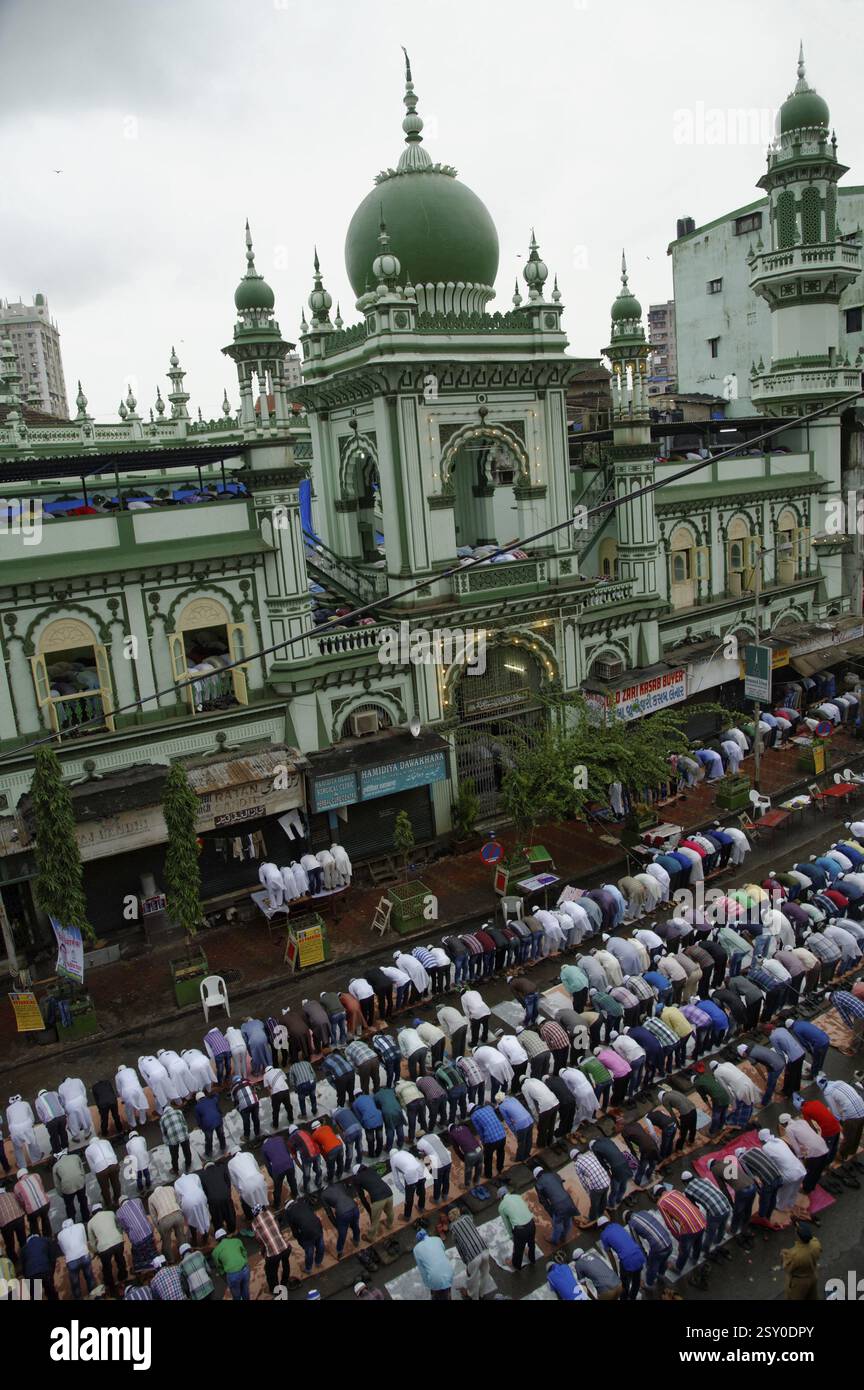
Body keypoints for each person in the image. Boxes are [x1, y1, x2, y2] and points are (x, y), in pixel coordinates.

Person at [654, 1184, 707, 1271]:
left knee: (684, 1250)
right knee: (698, 1242)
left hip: (689, 1228)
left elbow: (670, 1225)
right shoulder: (676, 1191)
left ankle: (678, 1268)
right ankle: (695, 1259)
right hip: (700, 1219)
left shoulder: (661, 1202)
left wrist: (680, 1239)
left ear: (657, 1195)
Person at [778, 1113, 830, 1195]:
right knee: (819, 1167)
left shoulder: (789, 1129)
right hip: (822, 1144)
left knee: (810, 1171)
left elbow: (795, 1145)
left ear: (783, 1124)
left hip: (814, 1150)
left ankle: (807, 1189)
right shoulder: (802, 1121)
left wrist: (800, 1157)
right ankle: (815, 1181)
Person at [680, 1170, 732, 1251]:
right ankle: (719, 1240)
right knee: (722, 1226)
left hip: (716, 1213)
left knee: (711, 1232)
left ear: (684, 1182)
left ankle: (705, 1248)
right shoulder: (702, 1180)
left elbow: (694, 1206)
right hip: (726, 1205)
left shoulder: (688, 1190)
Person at [597, 1215, 645, 1300]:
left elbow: (610, 1256)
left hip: (627, 1260)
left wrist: (615, 1272)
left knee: (624, 1283)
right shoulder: (617, 1225)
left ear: (600, 1228)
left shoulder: (604, 1235)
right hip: (638, 1254)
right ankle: (632, 1297)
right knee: (636, 1281)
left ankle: (624, 1298)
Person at [625, 1208, 674, 1289]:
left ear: (627, 1220)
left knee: (652, 1266)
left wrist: (645, 1257)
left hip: (658, 1247)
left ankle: (649, 1285)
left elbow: (638, 1243)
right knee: (663, 1260)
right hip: (668, 1241)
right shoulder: (643, 1211)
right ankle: (661, 1275)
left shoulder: (631, 1223)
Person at [86, 1203, 127, 1292]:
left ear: (93, 1213)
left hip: (104, 1248)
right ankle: (123, 1278)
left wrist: (96, 1251)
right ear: (102, 1209)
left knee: (107, 1267)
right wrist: (119, 1235)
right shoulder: (111, 1213)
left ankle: (111, 1286)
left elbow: (92, 1241)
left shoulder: (90, 1223)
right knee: (120, 1260)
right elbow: (119, 1225)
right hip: (118, 1242)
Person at [534, 1165, 578, 1245]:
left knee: (557, 1223)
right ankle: (563, 1237)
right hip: (568, 1200)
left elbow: (543, 1201)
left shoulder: (538, 1184)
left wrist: (550, 1211)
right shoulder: (555, 1174)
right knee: (568, 1220)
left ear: (536, 1177)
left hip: (558, 1205)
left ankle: (554, 1240)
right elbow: (560, 1186)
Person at [350, 1162, 394, 1241]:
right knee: (390, 1211)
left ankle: (370, 1237)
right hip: (389, 1192)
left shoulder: (357, 1178)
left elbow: (362, 1196)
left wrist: (369, 1210)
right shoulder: (371, 1170)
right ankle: (389, 1225)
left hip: (378, 1199)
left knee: (375, 1220)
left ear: (356, 1172)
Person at [781, 1222, 821, 1300]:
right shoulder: (816, 1243)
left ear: (798, 1237)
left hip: (799, 1282)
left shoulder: (794, 1255)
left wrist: (783, 1257)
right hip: (812, 1276)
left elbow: (787, 1269)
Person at [321, 1180, 361, 1258]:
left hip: (343, 1213)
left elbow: (329, 1213)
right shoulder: (339, 1185)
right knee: (355, 1226)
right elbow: (347, 1194)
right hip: (354, 1207)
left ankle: (340, 1251)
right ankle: (356, 1241)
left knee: (342, 1233)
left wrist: (335, 1224)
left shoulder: (323, 1195)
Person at [148, 1182, 187, 1262]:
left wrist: (160, 1231)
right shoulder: (170, 1188)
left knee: (166, 1241)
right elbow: (178, 1201)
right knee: (181, 1235)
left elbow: (154, 1217)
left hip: (164, 1219)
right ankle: (184, 1254)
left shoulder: (151, 1198)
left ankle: (170, 1260)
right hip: (177, 1214)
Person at [571, 1146, 611, 1223]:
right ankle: (601, 1213)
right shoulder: (590, 1154)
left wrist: (589, 1192)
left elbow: (583, 1181)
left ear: (574, 1159)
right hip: (606, 1180)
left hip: (598, 1186)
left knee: (594, 1204)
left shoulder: (577, 1164)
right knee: (604, 1198)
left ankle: (592, 1219)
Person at [58, 1217, 95, 1299]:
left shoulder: (60, 1235)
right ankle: (95, 1296)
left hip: (71, 1260)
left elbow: (63, 1249)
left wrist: (68, 1255)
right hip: (84, 1255)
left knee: (75, 1283)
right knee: (89, 1277)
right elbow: (85, 1240)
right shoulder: (80, 1226)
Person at [286, 1197, 325, 1274]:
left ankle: (308, 1269)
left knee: (309, 1251)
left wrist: (301, 1242)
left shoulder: (289, 1213)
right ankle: (318, 1262)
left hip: (307, 1232)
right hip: (317, 1225)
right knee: (320, 1245)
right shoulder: (303, 1203)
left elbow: (295, 1231)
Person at [228, 1147, 268, 1218]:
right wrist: (260, 1177)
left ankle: (251, 1217)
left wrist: (239, 1191)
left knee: (248, 1203)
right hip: (258, 1180)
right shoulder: (249, 1154)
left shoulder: (230, 1163)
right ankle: (264, 1213)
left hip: (246, 1185)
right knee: (260, 1198)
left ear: (232, 1155)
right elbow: (256, 1166)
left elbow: (234, 1180)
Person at [470, 1102, 507, 1179]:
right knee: (501, 1152)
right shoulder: (488, 1108)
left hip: (491, 1140)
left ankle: (488, 1174)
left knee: (488, 1157)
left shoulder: (473, 1116)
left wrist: (483, 1141)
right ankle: (500, 1168)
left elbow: (480, 1130)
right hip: (502, 1135)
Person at [413, 1229, 453, 1300]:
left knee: (438, 1293)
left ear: (418, 1240)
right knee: (446, 1290)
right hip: (449, 1272)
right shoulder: (437, 1239)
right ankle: (448, 1296)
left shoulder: (416, 1249)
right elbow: (442, 1252)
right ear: (427, 1235)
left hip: (436, 1277)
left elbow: (422, 1270)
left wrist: (429, 1284)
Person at [211, 1227, 250, 1300]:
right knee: (245, 1291)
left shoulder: (215, 1252)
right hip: (245, 1269)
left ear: (217, 1240)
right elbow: (244, 1253)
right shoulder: (237, 1241)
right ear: (226, 1235)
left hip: (232, 1275)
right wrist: (244, 1262)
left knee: (236, 1296)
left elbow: (220, 1267)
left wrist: (225, 1277)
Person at [174, 1171, 211, 1246]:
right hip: (200, 1196)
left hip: (188, 1201)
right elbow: (200, 1187)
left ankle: (194, 1240)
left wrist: (180, 1207)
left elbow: (178, 1198)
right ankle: (205, 1236)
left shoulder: (177, 1182)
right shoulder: (194, 1176)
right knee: (203, 1216)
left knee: (191, 1220)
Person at [390, 1147, 426, 1221]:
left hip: (410, 1173)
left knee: (409, 1198)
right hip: (420, 1168)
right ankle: (421, 1208)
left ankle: (407, 1217)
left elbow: (396, 1180)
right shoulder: (404, 1152)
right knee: (422, 1191)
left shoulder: (392, 1159)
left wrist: (403, 1191)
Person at [496, 1090, 534, 1162]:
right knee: (529, 1139)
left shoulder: (502, 1107)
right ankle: (527, 1154)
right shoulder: (513, 1098)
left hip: (521, 1125)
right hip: (529, 1118)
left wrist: (514, 1131)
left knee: (521, 1142)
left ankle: (519, 1158)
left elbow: (508, 1120)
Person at [199, 1160, 235, 1235]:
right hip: (225, 1195)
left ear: (204, 1167)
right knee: (229, 1213)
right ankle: (232, 1229)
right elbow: (228, 1181)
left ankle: (220, 1233)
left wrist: (209, 1199)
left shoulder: (202, 1175)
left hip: (213, 1199)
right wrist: (227, 1192)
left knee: (217, 1217)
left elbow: (204, 1191)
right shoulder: (221, 1168)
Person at [85, 1135, 121, 1208]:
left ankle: (109, 1204)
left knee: (104, 1188)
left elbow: (91, 1165)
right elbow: (112, 1152)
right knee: (116, 1182)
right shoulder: (106, 1142)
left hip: (100, 1169)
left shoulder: (88, 1150)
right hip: (113, 1163)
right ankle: (117, 1200)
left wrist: (95, 1174)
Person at [418, 1131, 451, 1202]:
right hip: (448, 1159)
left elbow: (424, 1157)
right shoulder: (434, 1135)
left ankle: (437, 1199)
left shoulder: (419, 1143)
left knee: (437, 1182)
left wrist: (429, 1169)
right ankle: (445, 1195)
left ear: (417, 1138)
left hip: (438, 1165)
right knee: (446, 1179)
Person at [160, 1102, 193, 1173]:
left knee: (174, 1156)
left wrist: (167, 1143)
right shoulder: (178, 1112)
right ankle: (188, 1164)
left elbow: (164, 1133)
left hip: (173, 1140)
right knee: (187, 1151)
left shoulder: (162, 1119)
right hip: (184, 1135)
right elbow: (184, 1123)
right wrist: (185, 1133)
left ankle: (175, 1169)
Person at [449, 1121, 483, 1188]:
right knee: (479, 1166)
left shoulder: (452, 1134)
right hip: (479, 1149)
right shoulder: (465, 1127)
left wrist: (463, 1158)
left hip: (470, 1153)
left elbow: (457, 1149)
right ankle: (476, 1181)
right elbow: (472, 1137)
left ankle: (467, 1185)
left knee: (468, 1170)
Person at [34, 1088, 69, 1154]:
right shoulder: (54, 1093)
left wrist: (45, 1122)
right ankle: (65, 1147)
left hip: (51, 1120)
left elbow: (40, 1114)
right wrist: (62, 1110)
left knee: (54, 1136)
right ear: (46, 1091)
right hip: (62, 1117)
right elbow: (61, 1101)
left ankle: (57, 1151)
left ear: (39, 1095)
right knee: (63, 1132)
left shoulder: (37, 1101)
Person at [0, 1184, 26, 1262]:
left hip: (6, 1223)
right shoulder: (11, 1194)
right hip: (19, 1217)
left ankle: (14, 1261)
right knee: (22, 1239)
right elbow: (20, 1202)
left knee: (10, 1244)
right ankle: (26, 1255)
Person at [232, 1075, 261, 1141]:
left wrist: (239, 1109)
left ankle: (246, 1136)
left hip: (245, 1106)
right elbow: (255, 1088)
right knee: (256, 1118)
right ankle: (257, 1133)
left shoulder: (233, 1088)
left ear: (234, 1082)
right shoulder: (247, 1081)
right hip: (255, 1102)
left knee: (246, 1121)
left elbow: (235, 1101)